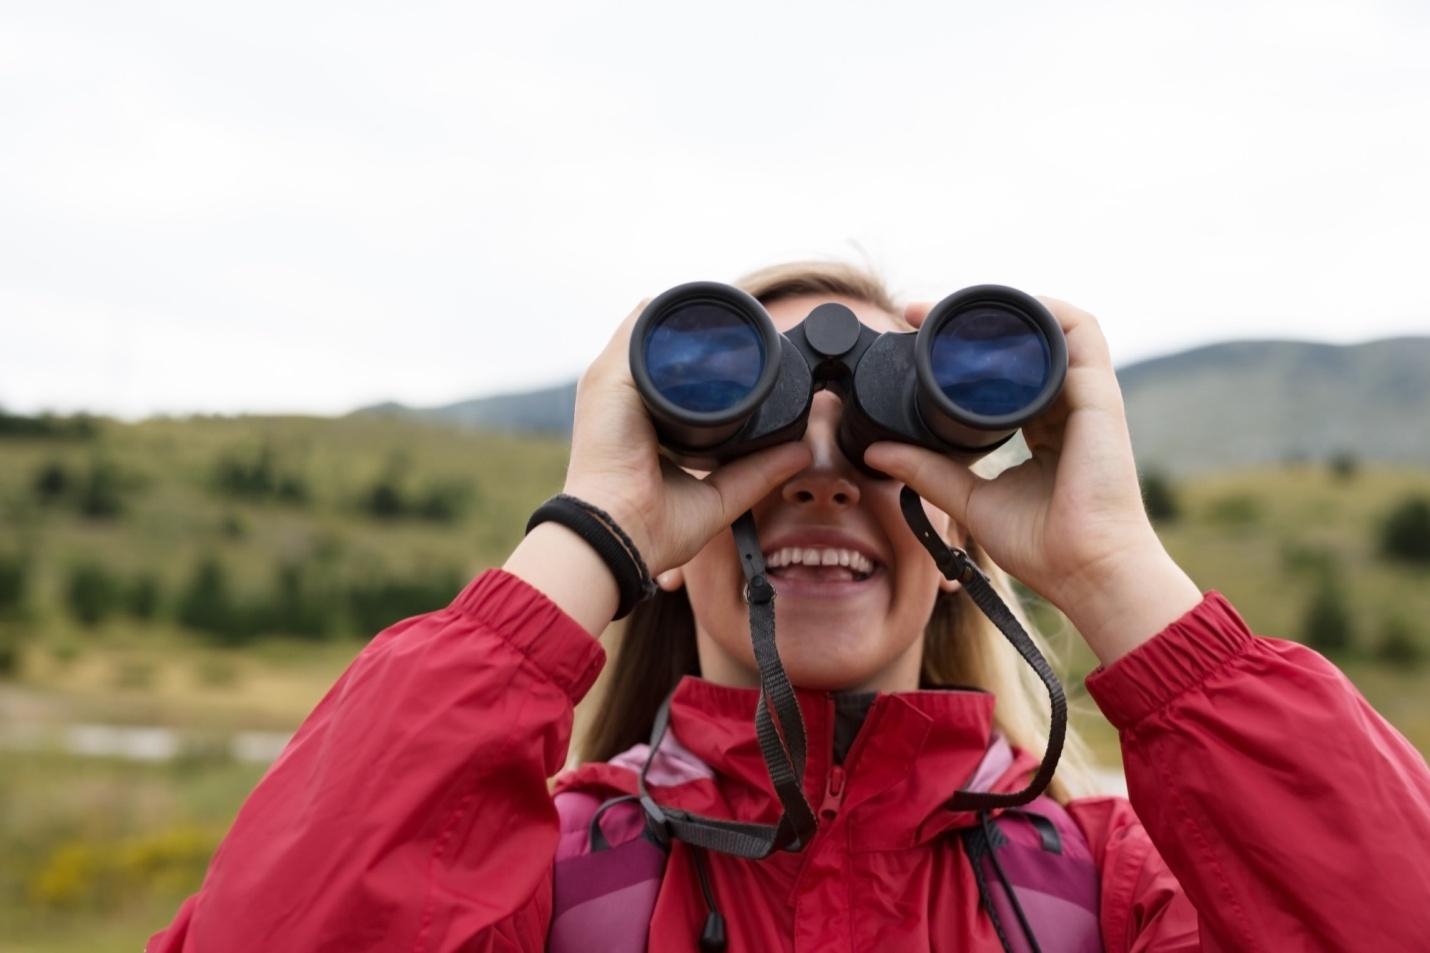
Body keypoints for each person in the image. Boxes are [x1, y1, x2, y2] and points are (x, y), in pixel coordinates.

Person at [148, 262, 1430, 952]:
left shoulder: (1112, 893)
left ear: (948, 524)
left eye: (878, 435)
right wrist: (589, 532)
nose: (818, 473)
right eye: (754, 432)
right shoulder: (525, 885)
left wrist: (1111, 570)